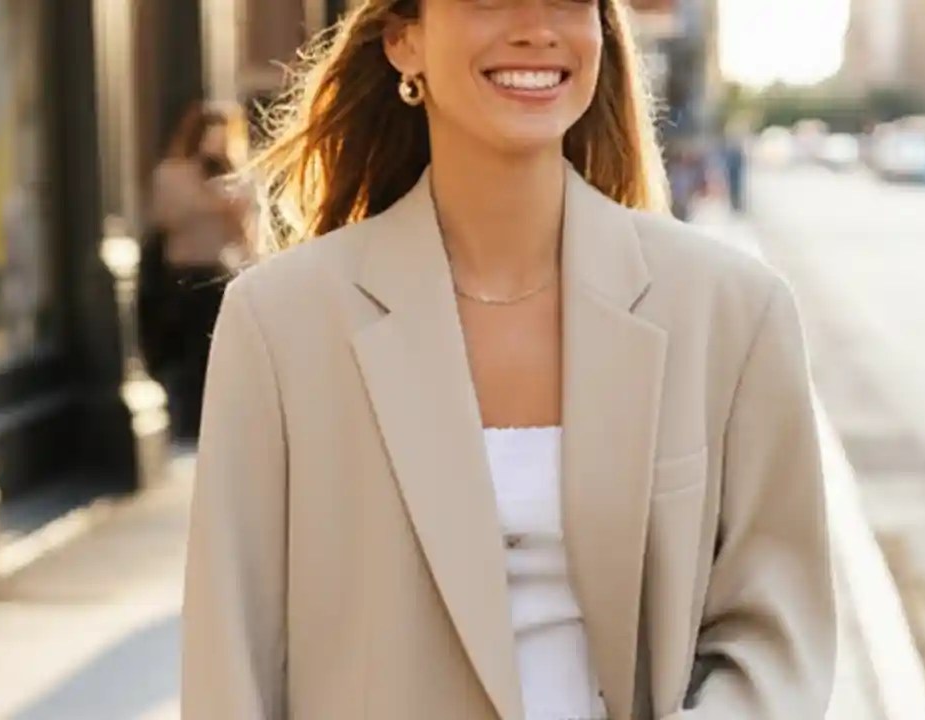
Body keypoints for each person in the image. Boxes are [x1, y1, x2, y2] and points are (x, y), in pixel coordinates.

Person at [181, 0, 835, 718]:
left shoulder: (734, 313)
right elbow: (229, 666)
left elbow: (774, 639)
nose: (536, 26)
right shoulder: (278, 324)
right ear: (405, 41)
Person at [148, 103, 251, 440]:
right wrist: (208, 199)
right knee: (184, 349)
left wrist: (231, 203)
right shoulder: (173, 172)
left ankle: (215, 420)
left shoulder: (237, 175)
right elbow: (166, 218)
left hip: (221, 271)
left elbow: (246, 231)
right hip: (182, 271)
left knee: (217, 350)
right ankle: (186, 420)